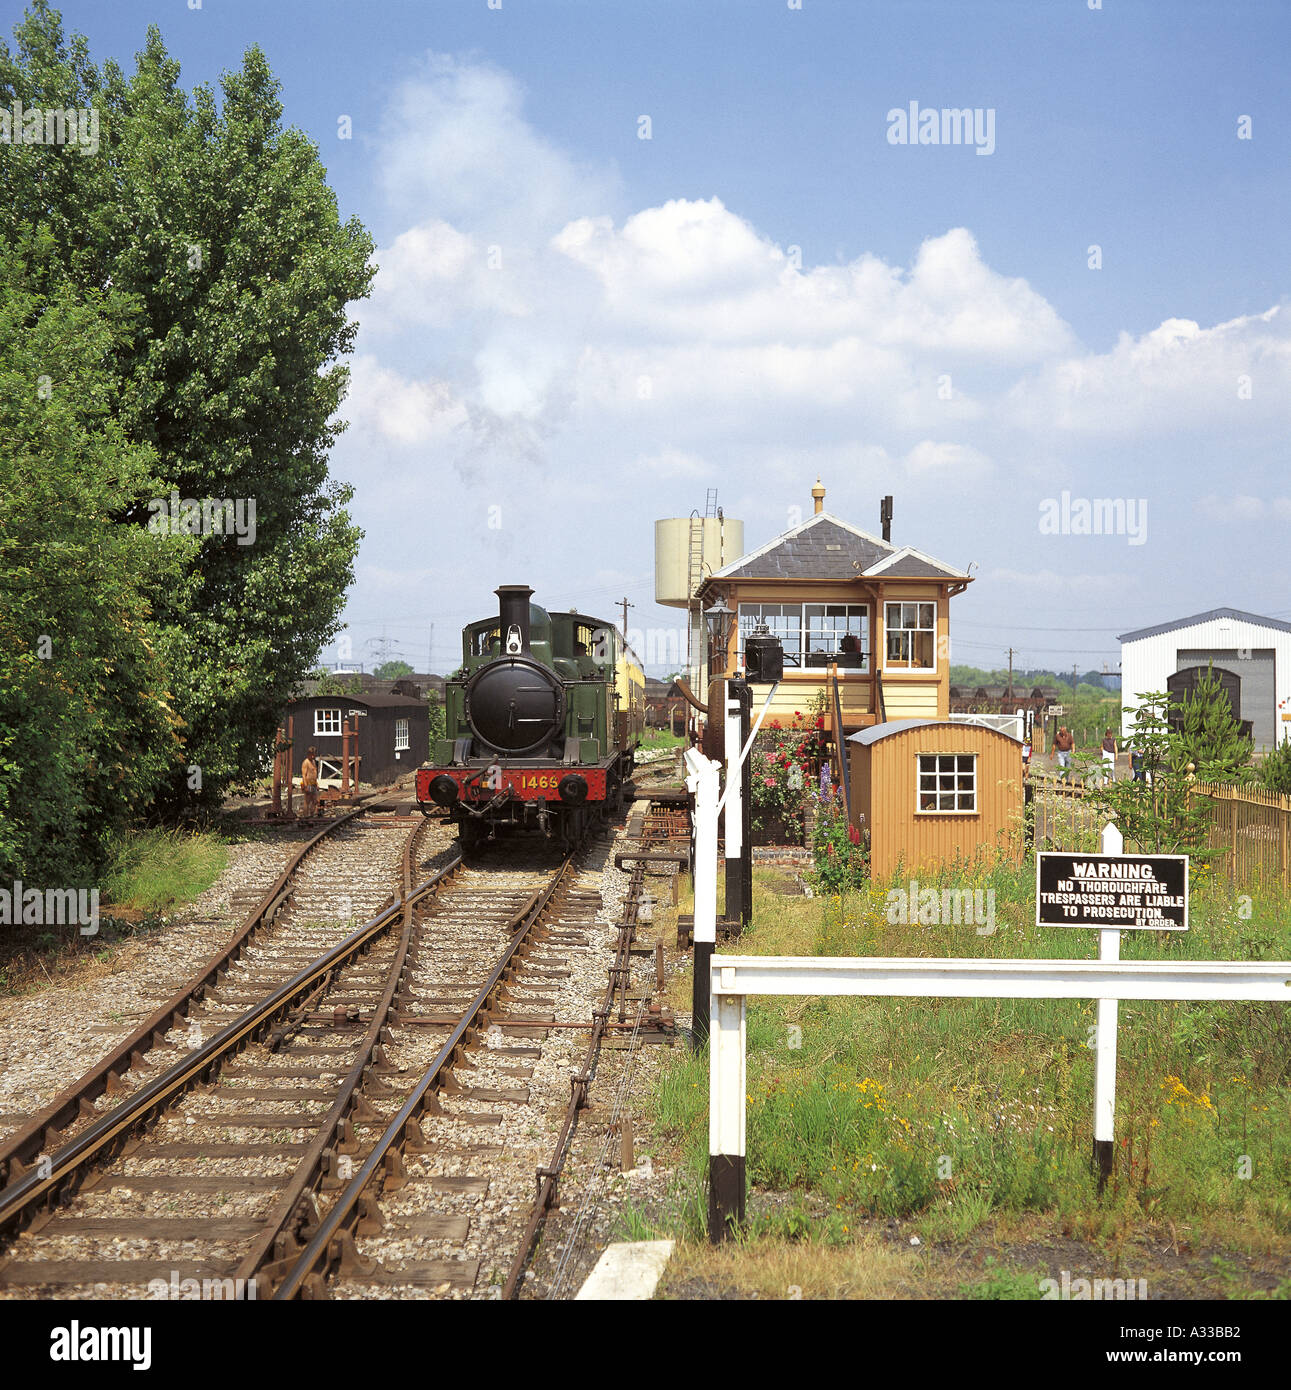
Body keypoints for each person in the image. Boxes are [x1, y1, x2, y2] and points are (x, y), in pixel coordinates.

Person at [301, 745, 319, 818]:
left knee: (315, 801)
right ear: (308, 754)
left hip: (313, 783)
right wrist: (305, 786)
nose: (312, 757)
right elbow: (304, 775)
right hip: (307, 784)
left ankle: (311, 815)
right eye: (311, 755)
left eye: (313, 755)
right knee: (307, 801)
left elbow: (314, 773)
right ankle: (305, 816)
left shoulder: (314, 762)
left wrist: (317, 783)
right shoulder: (306, 762)